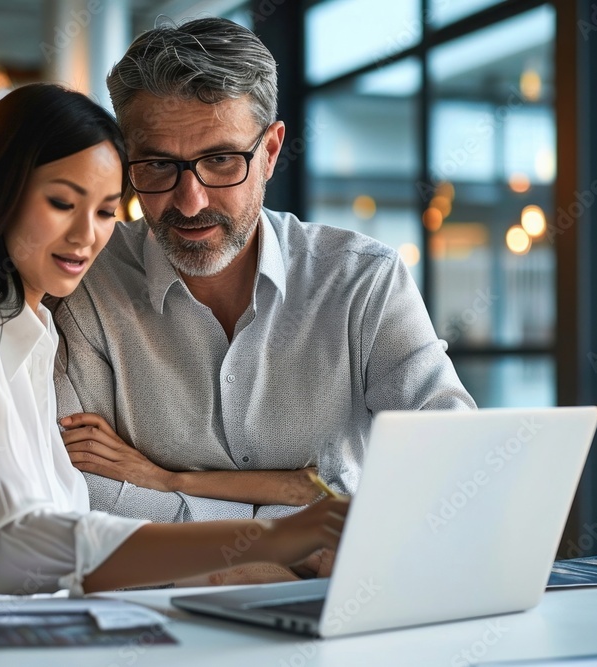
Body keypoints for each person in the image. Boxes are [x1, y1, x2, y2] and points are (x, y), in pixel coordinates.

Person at [0, 83, 347, 605]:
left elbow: (68, 557)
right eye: (61, 202)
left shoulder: (38, 337)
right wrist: (272, 540)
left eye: (104, 211)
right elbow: (14, 552)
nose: (86, 236)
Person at [51, 18, 477, 524]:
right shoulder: (85, 282)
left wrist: (171, 484)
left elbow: (453, 464)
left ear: (271, 151)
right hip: (165, 600)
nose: (190, 203)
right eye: (158, 165)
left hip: (333, 595)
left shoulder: (363, 282)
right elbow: (84, 496)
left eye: (223, 161)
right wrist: (296, 525)